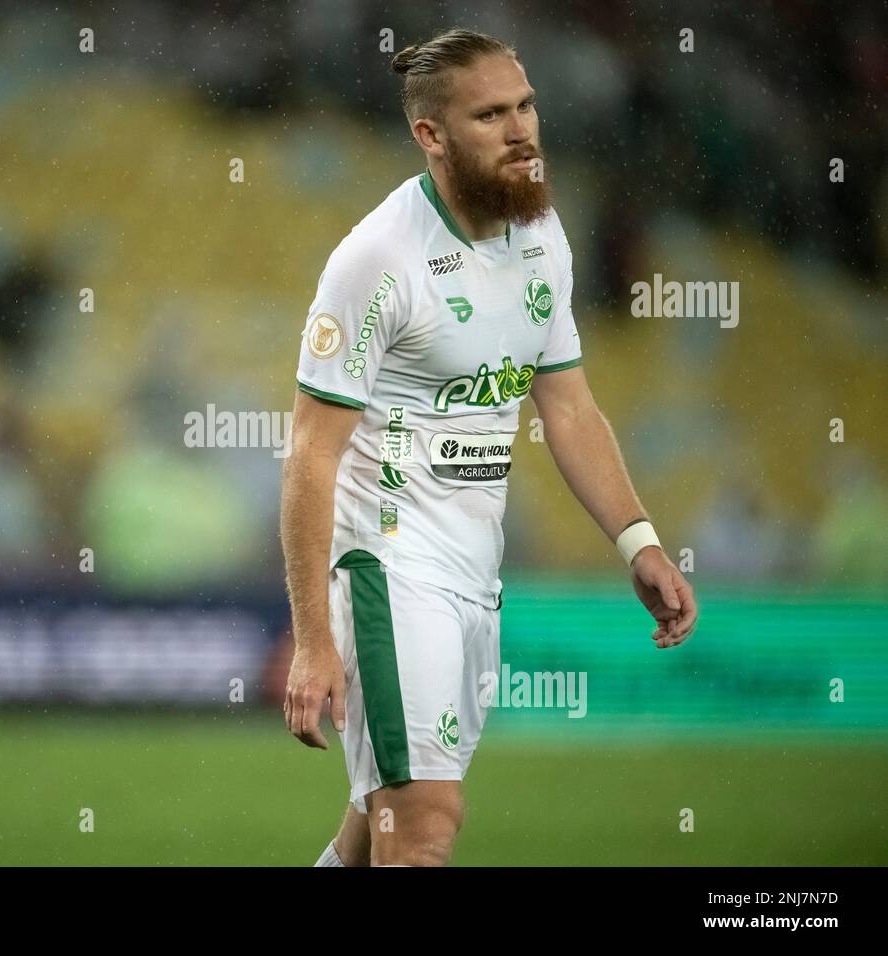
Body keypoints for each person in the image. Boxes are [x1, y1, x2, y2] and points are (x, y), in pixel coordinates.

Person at [279, 28, 698, 868]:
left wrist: (637, 540)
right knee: (424, 822)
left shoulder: (540, 237)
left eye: (527, 106)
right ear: (430, 136)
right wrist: (313, 639)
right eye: (491, 115)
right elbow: (310, 454)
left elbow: (569, 408)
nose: (522, 131)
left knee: (374, 833)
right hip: (387, 573)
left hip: (475, 580)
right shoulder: (378, 260)